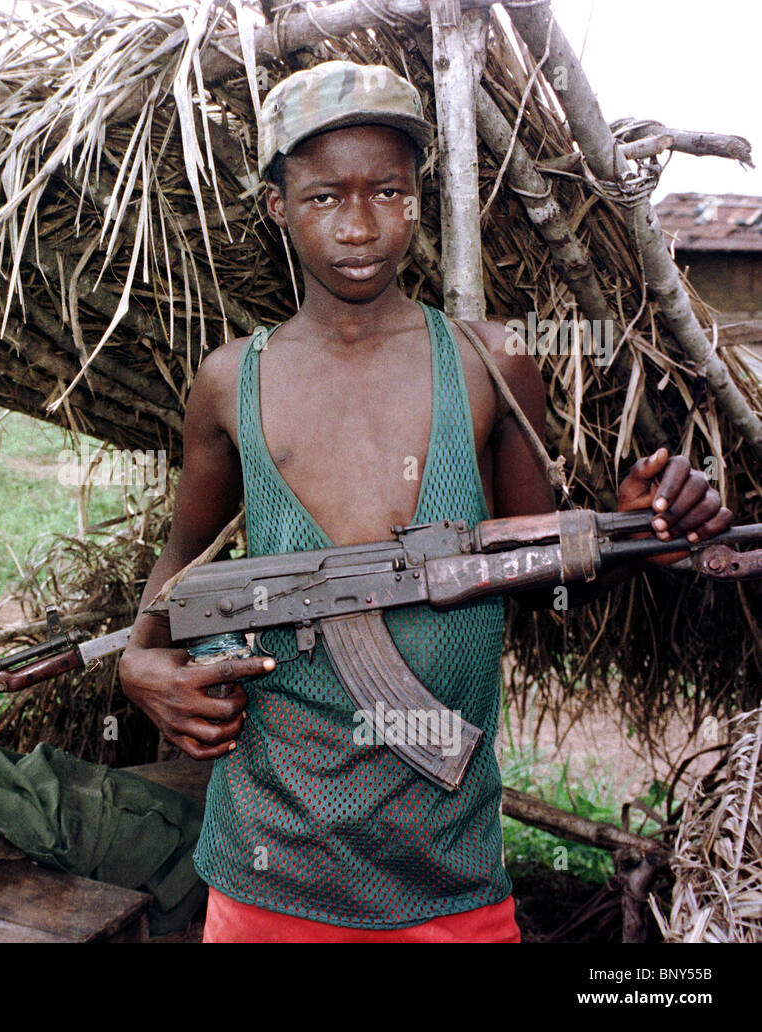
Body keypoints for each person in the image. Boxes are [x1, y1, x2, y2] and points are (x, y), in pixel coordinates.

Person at [116, 61, 732, 942]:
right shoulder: (229, 383)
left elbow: (540, 573)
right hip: (268, 863)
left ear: (418, 201)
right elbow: (182, 561)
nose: (360, 225)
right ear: (276, 209)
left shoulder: (492, 363)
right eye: (325, 197)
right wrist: (138, 662)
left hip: (448, 869)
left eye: (388, 192)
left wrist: (634, 529)